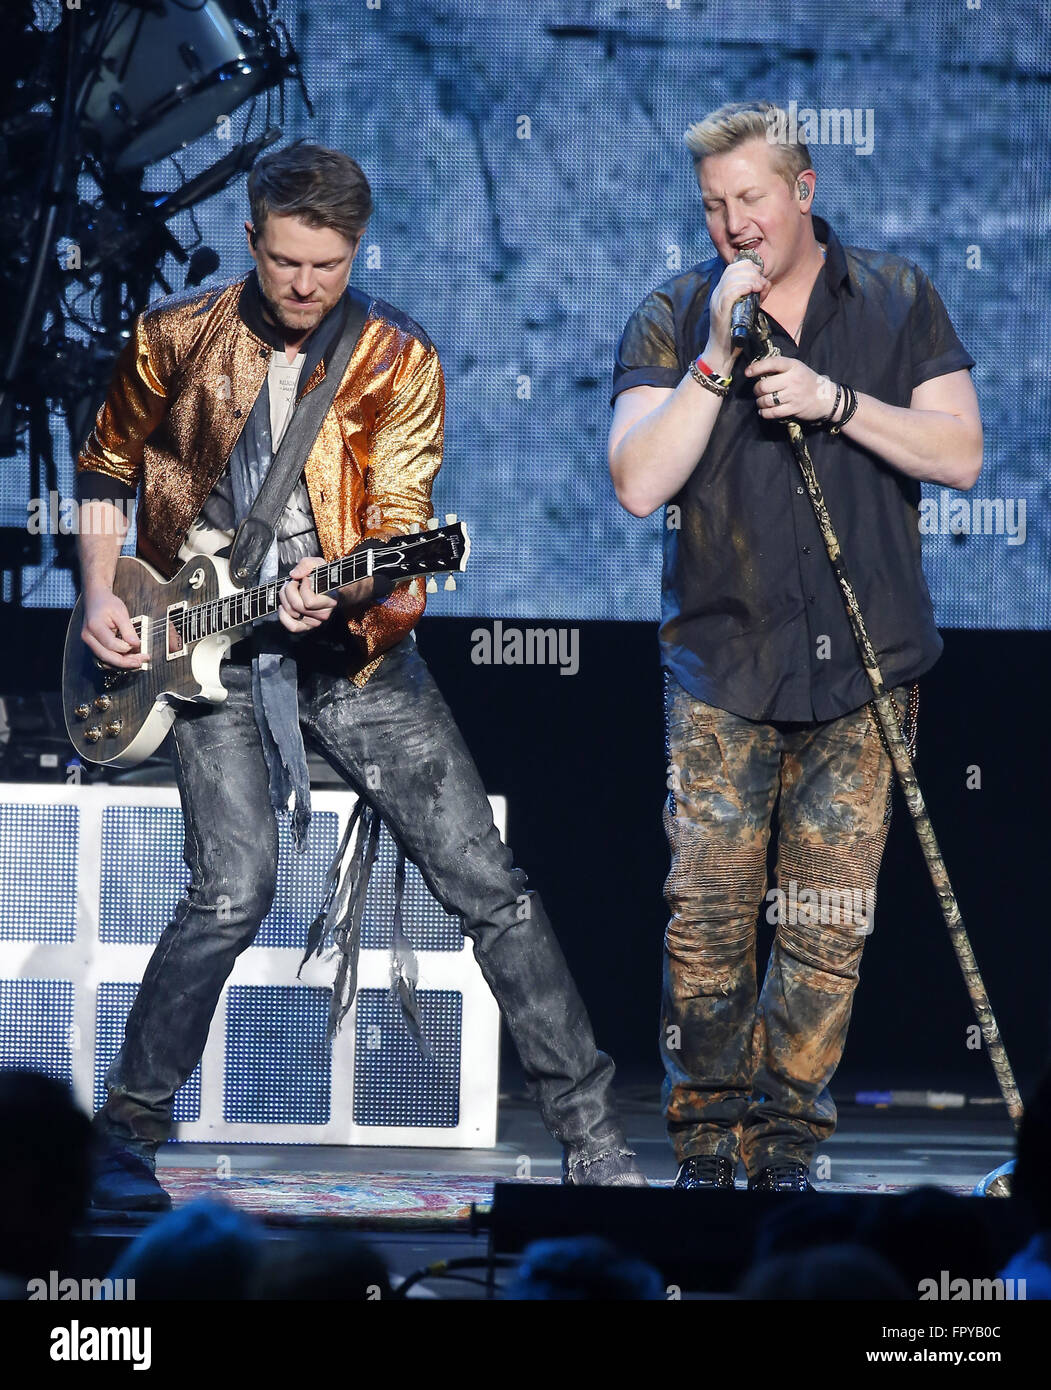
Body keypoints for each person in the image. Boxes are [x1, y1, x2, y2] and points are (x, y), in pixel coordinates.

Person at [76, 141, 644, 1210]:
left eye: (327, 266)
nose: (304, 285)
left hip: (355, 656)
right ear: (252, 240)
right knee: (230, 889)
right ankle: (124, 1130)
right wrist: (102, 590)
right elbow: (108, 461)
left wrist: (336, 595)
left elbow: (399, 534)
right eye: (287, 262)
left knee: (490, 886)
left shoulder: (398, 360)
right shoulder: (175, 335)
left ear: (355, 252)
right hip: (205, 652)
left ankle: (592, 1137)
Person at [608, 101, 981, 1193]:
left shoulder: (899, 298)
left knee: (825, 930)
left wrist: (836, 401)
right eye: (715, 206)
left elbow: (958, 453)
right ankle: (707, 1152)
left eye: (751, 200)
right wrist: (716, 363)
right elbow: (637, 483)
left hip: (867, 674)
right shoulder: (674, 315)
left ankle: (785, 1154)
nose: (733, 225)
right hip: (722, 671)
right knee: (708, 926)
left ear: (802, 191)